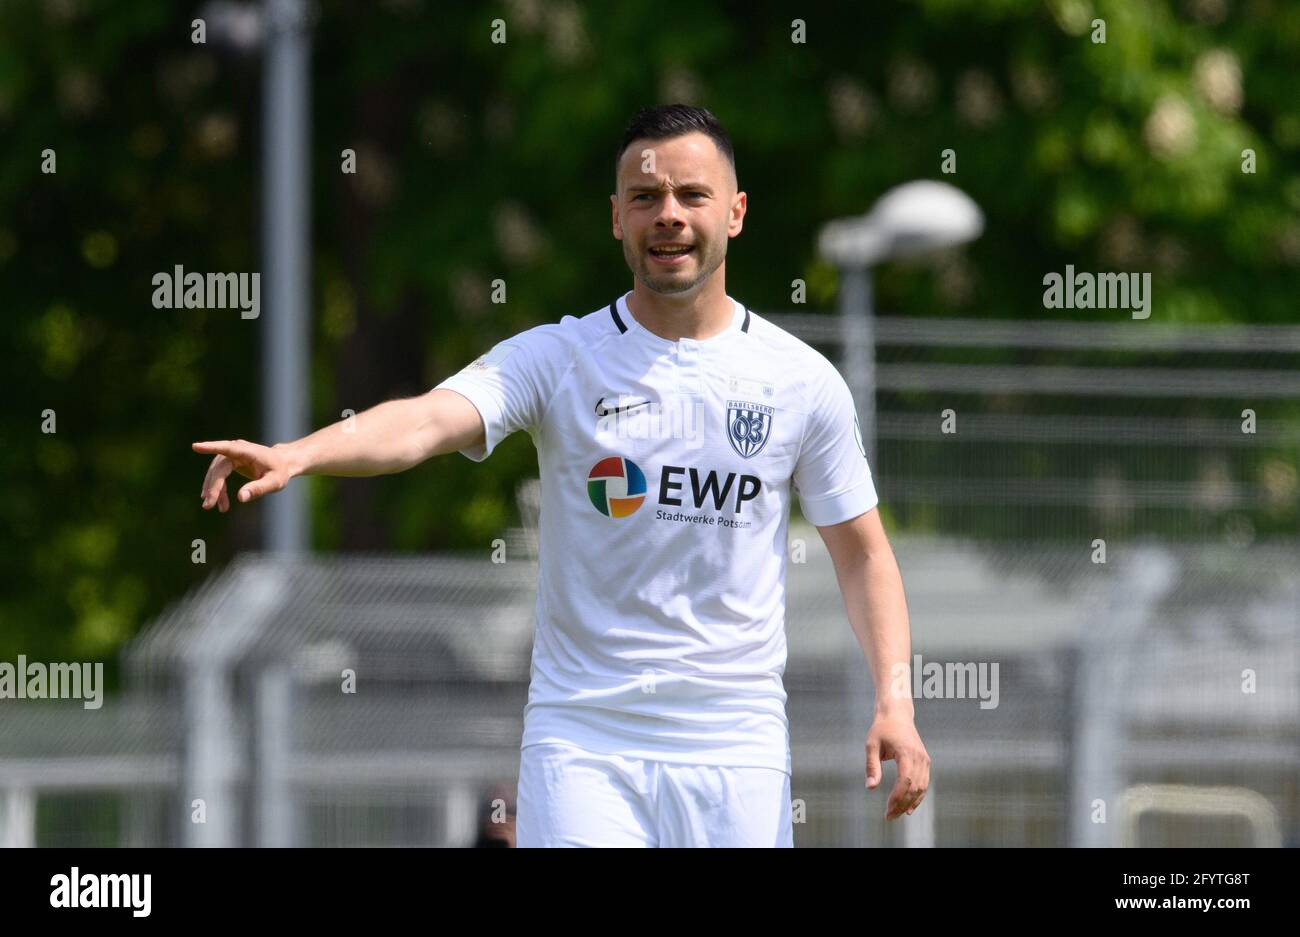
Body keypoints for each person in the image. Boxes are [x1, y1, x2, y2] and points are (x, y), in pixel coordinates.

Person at [194, 103, 929, 848]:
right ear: (617, 217)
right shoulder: (559, 358)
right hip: (585, 745)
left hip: (736, 749)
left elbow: (865, 554)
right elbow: (423, 421)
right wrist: (300, 453)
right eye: (645, 198)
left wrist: (894, 701)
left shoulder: (800, 380)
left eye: (691, 195)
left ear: (735, 212)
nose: (667, 215)